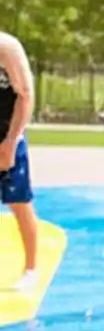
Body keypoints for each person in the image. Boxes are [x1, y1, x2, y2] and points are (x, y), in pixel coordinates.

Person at [0, 32, 38, 292]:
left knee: (19, 203)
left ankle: (31, 269)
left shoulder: (7, 48)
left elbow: (25, 96)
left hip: (7, 134)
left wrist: (11, 142)